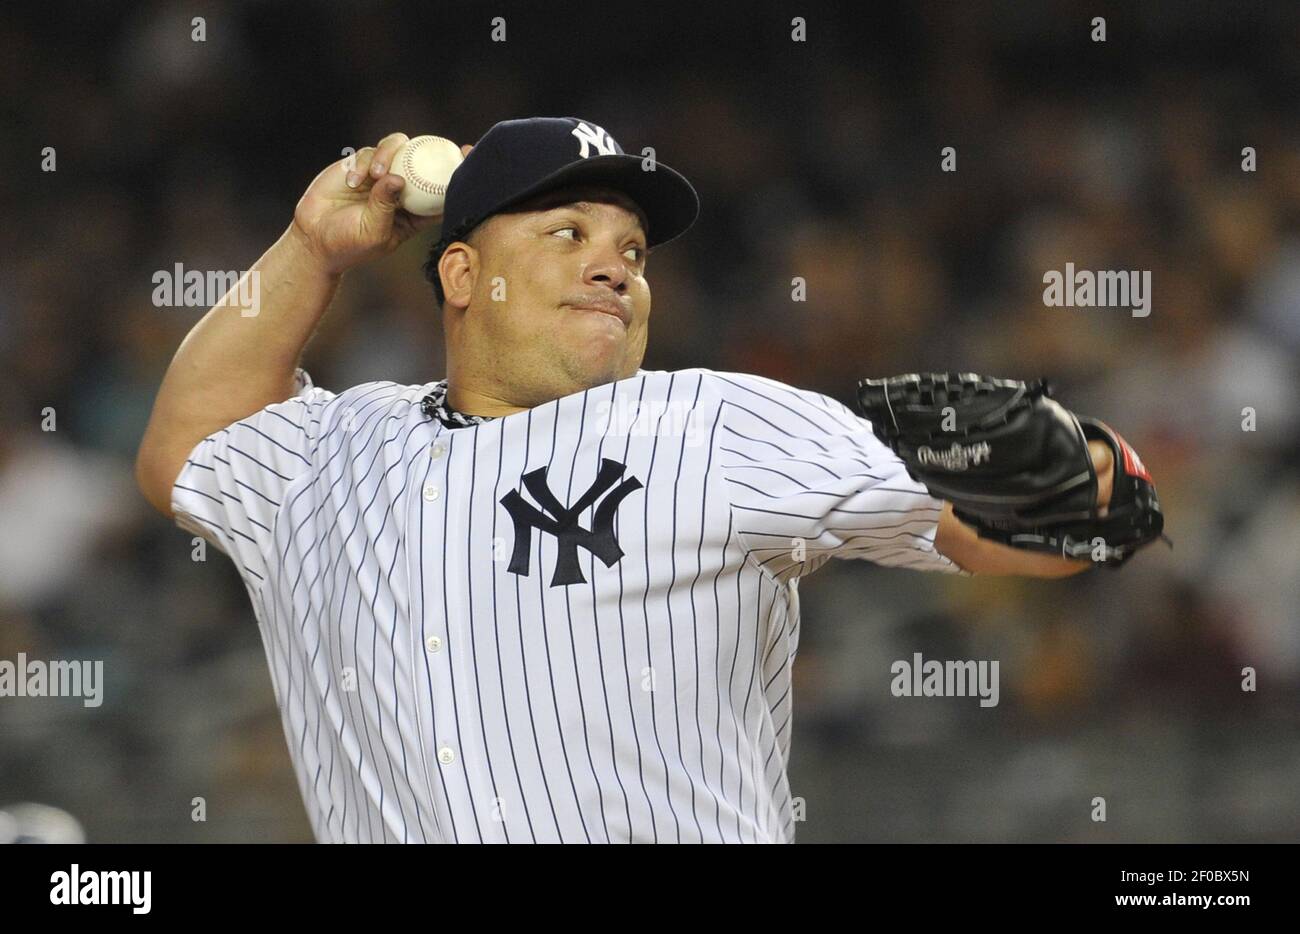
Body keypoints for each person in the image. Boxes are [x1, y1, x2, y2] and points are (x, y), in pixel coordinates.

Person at [136, 117, 1117, 843]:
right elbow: (185, 447)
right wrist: (311, 251)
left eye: (632, 251)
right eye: (567, 234)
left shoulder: (712, 423)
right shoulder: (335, 448)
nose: (614, 266)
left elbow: (994, 524)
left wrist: (1079, 485)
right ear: (464, 276)